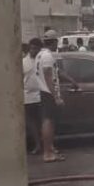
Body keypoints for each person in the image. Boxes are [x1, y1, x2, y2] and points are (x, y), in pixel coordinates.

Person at [35, 31, 65, 162]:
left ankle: (50, 149)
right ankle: (47, 153)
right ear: (54, 42)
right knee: (48, 121)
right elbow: (48, 77)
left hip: (44, 91)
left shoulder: (40, 55)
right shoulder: (47, 56)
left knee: (49, 121)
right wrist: (56, 96)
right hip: (48, 92)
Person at [23, 42, 42, 156]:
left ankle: (48, 145)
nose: (33, 51)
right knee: (32, 124)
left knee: (43, 122)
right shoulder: (23, 62)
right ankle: (37, 145)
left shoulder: (42, 60)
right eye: (31, 48)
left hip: (42, 95)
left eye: (35, 48)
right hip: (28, 97)